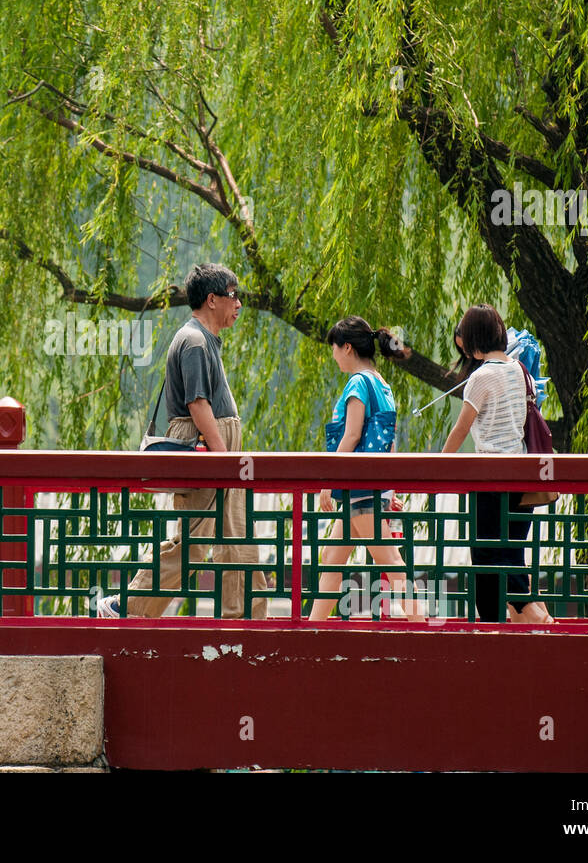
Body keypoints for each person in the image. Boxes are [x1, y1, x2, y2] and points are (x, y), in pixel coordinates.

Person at [98, 263, 269, 619]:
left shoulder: (205, 340)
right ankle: (126, 606)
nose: (239, 304)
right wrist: (224, 459)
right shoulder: (193, 341)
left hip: (216, 444)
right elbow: (197, 404)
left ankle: (245, 618)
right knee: (194, 544)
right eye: (233, 296)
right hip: (204, 445)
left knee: (237, 538)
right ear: (212, 299)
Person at [441, 304, 554, 624]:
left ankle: (497, 625)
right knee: (512, 555)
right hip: (522, 477)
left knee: (487, 558)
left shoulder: (482, 377)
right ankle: (532, 618)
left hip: (489, 478)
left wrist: (437, 469)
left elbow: (461, 429)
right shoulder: (521, 370)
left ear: (474, 337)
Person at [308, 317, 425, 622]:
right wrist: (390, 488)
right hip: (371, 486)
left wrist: (328, 481)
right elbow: (388, 440)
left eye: (334, 347)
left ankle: (422, 626)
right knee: (332, 559)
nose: (332, 355)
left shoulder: (359, 382)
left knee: (390, 560)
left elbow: (352, 435)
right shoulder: (381, 383)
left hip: (358, 487)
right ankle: (311, 630)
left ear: (346, 347)